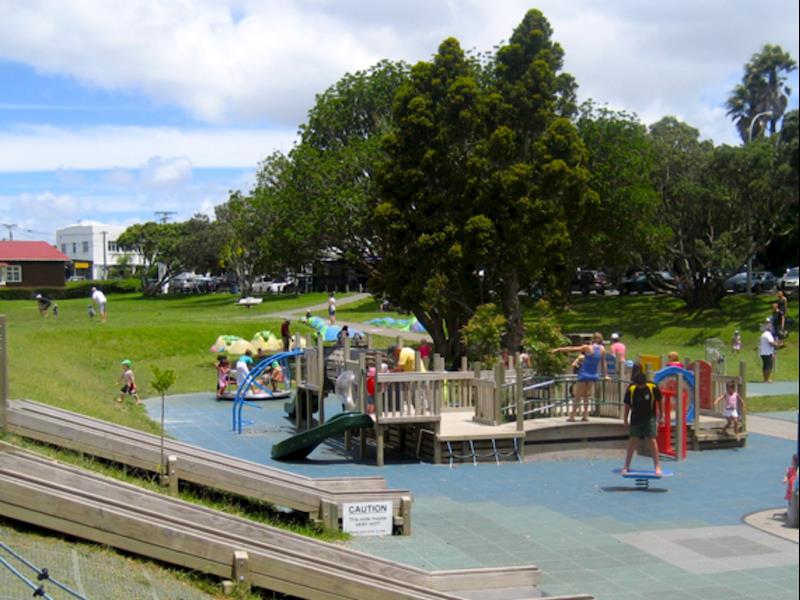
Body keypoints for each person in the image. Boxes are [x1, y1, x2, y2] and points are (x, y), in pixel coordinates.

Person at [552, 332, 608, 422]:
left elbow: (572, 349)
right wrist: (606, 375)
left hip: (584, 372)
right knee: (586, 395)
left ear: (592, 339)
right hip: (593, 374)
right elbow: (603, 363)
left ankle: (572, 416)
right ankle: (585, 416)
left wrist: (559, 349)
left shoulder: (588, 347)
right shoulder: (602, 349)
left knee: (577, 395)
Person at [621, 364, 663, 476]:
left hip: (650, 417)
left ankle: (657, 466)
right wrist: (625, 420)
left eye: (642, 385)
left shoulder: (652, 387)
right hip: (636, 418)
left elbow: (659, 400)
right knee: (632, 441)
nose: (640, 387)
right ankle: (626, 466)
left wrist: (661, 415)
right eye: (638, 385)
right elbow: (627, 405)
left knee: (652, 441)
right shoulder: (632, 388)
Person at [759, 318, 778, 383]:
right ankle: (766, 379)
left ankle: (765, 379)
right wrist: (777, 344)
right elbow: (771, 343)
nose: (771, 328)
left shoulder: (763, 334)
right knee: (769, 367)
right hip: (768, 353)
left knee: (765, 366)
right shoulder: (768, 334)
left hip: (763, 353)